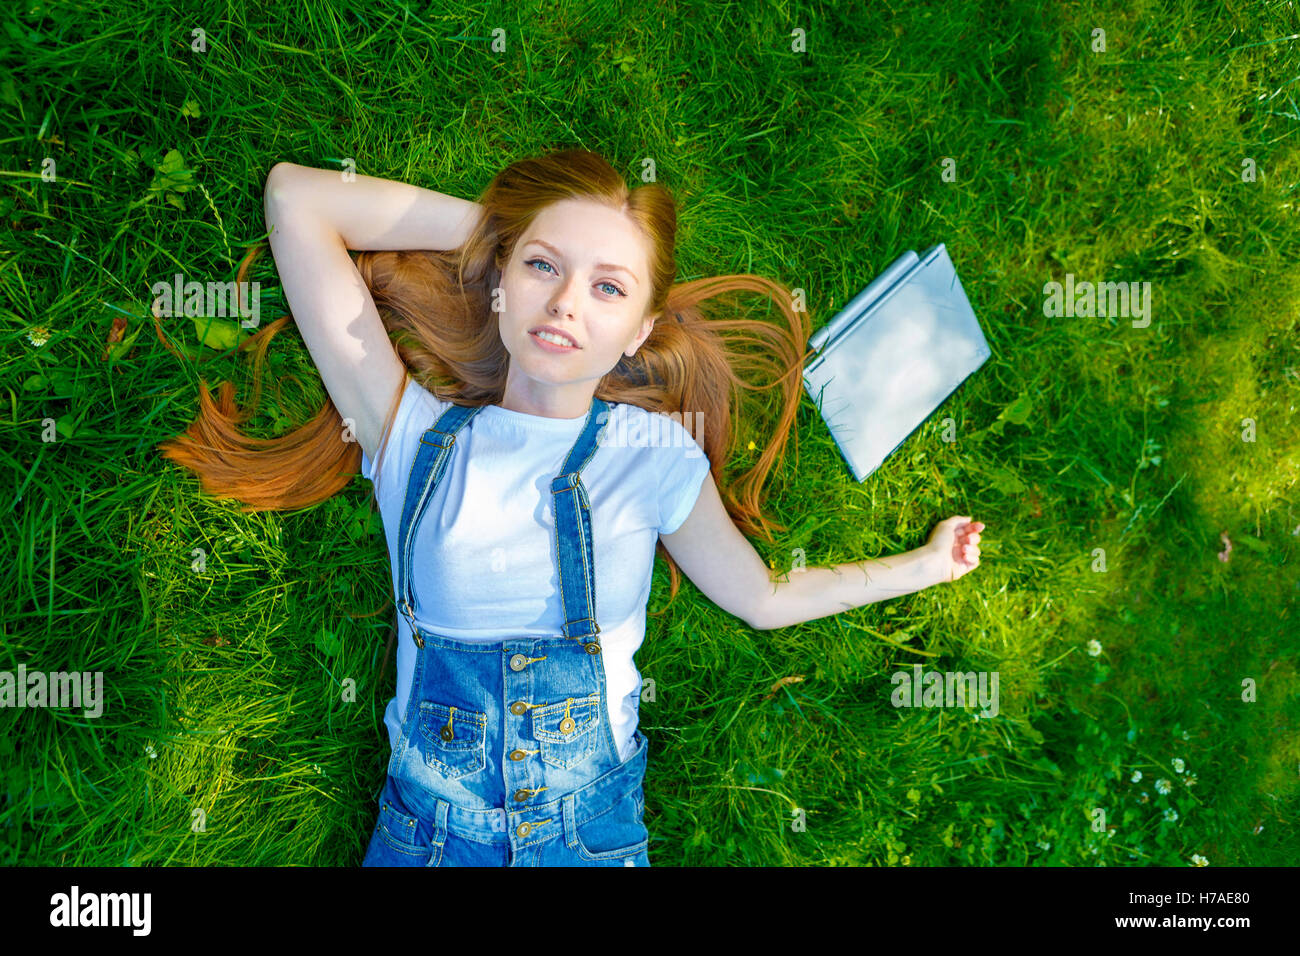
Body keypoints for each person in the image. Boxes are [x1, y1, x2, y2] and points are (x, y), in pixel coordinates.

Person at [157, 148, 984, 866]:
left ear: (638, 330)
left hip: (587, 840)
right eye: (543, 268)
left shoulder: (656, 455)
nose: (565, 303)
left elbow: (762, 600)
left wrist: (924, 565)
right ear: (500, 284)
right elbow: (297, 201)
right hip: (431, 840)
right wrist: (504, 228)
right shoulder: (410, 432)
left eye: (608, 286)